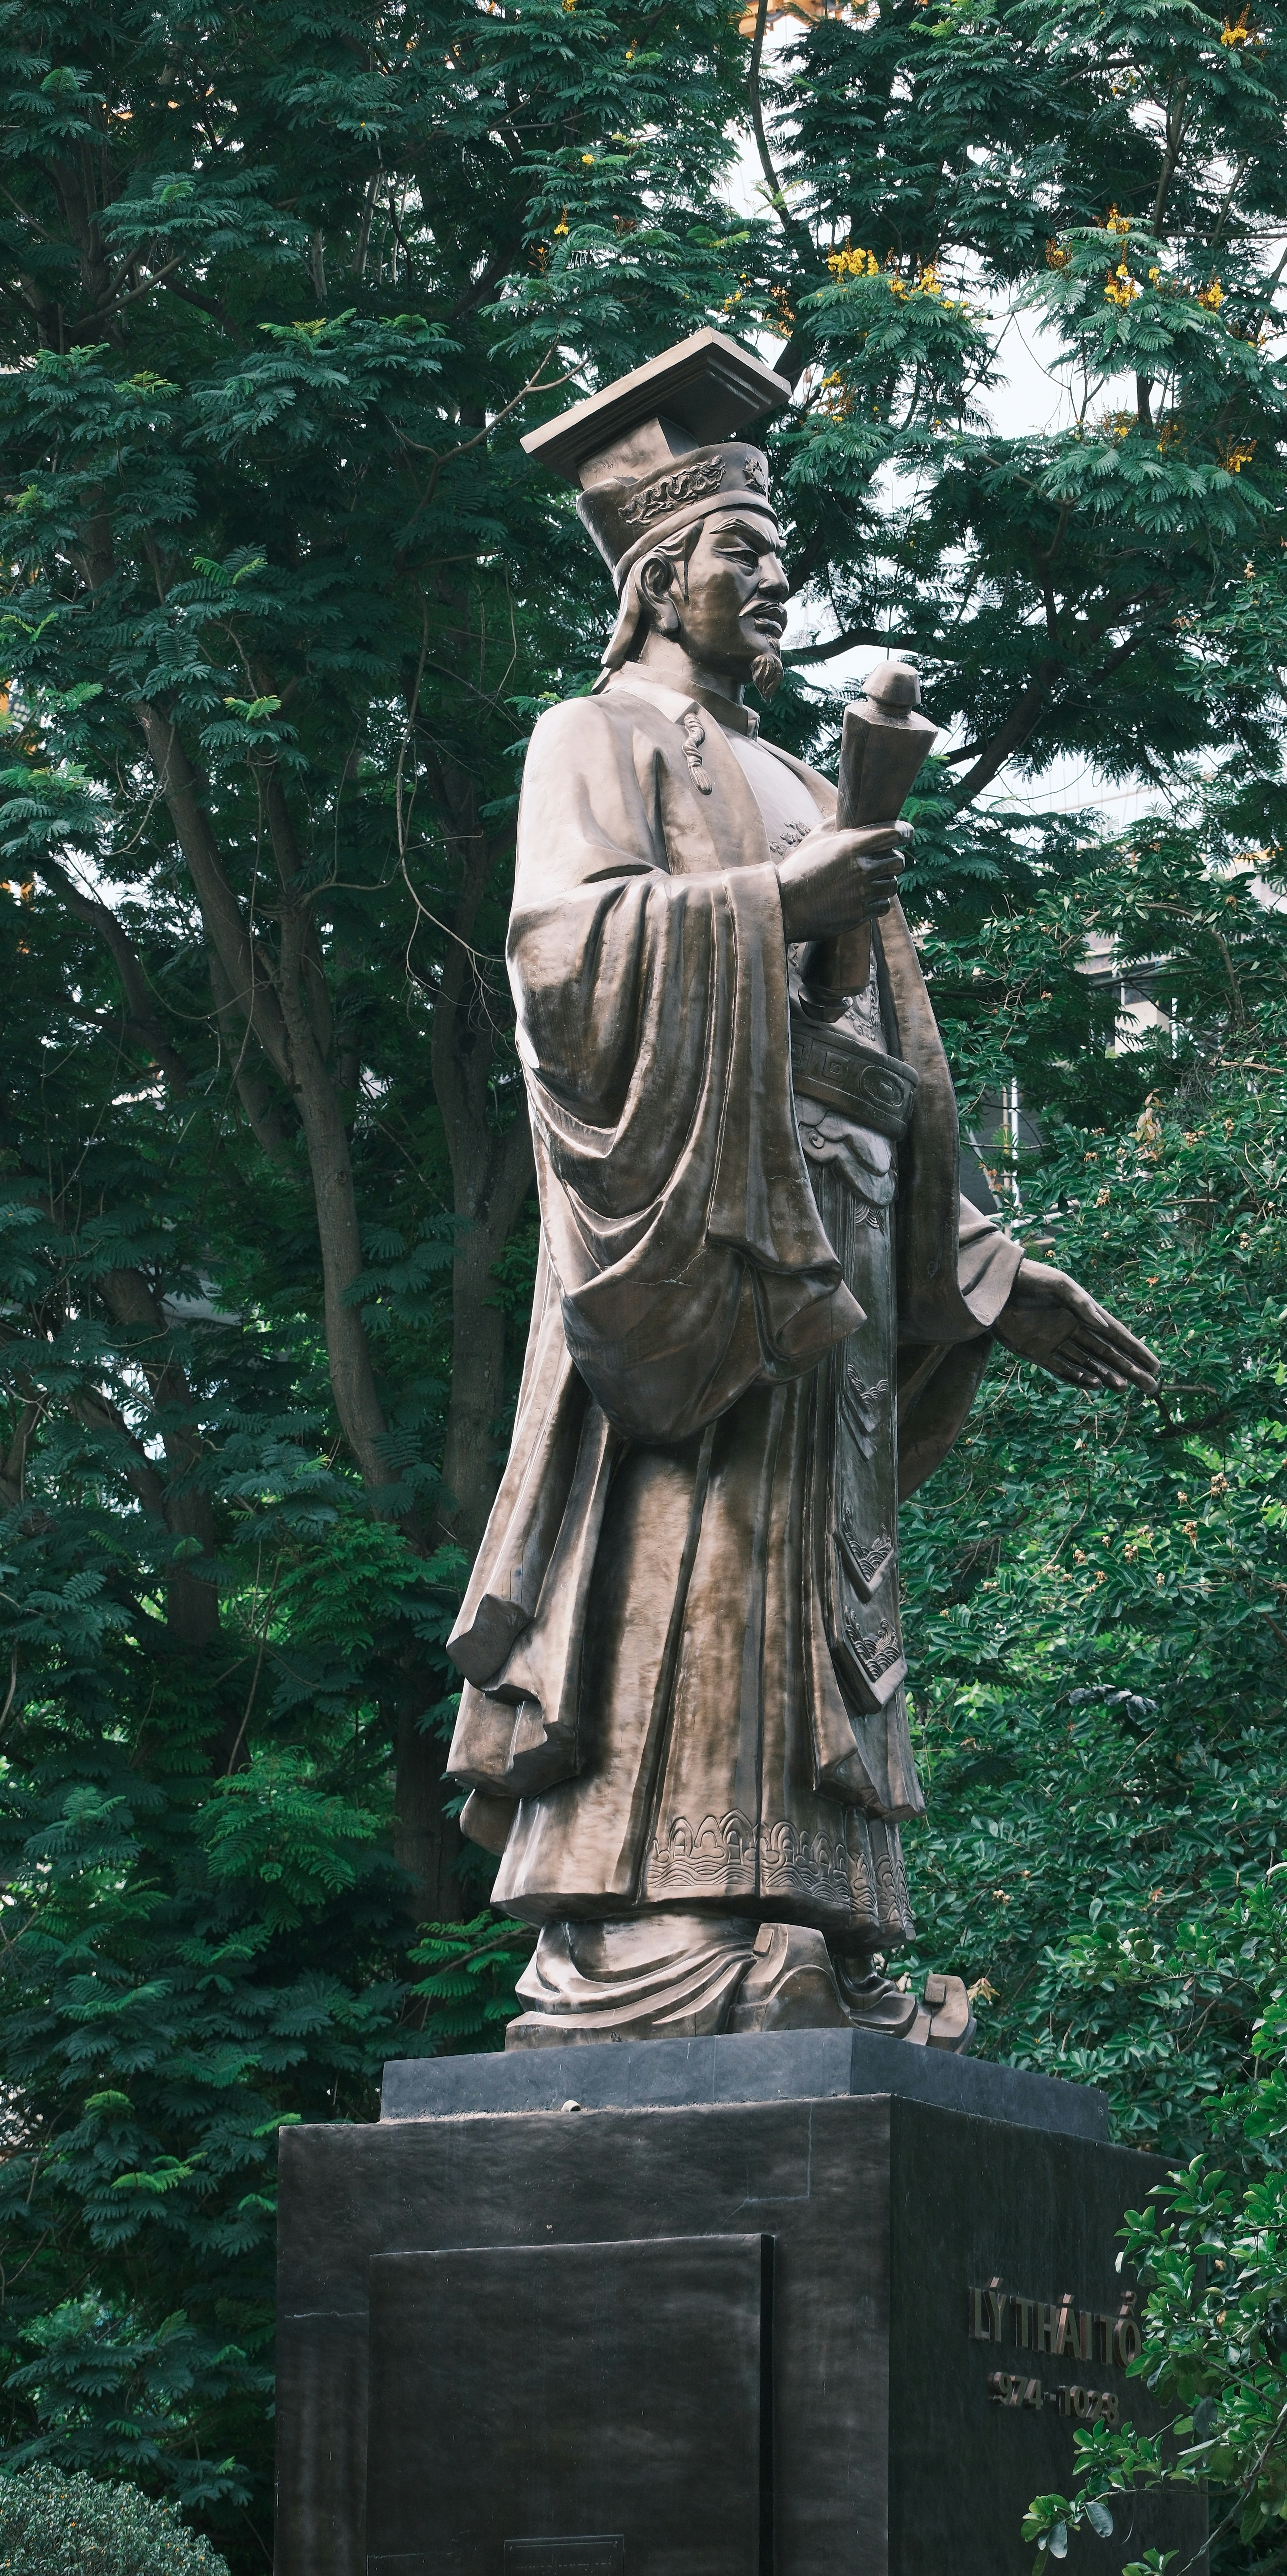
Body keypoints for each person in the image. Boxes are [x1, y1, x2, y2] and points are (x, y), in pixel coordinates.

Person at [445, 331, 1156, 2045]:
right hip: (698, 1233)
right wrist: (780, 900)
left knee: (817, 1587)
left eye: (782, 555)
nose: (774, 582)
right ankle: (656, 1930)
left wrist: (980, 1261)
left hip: (834, 1227)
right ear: (655, 576)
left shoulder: (779, 775)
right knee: (695, 1563)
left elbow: (886, 1053)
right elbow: (565, 958)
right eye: (740, 556)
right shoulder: (591, 738)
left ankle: (811, 1925)